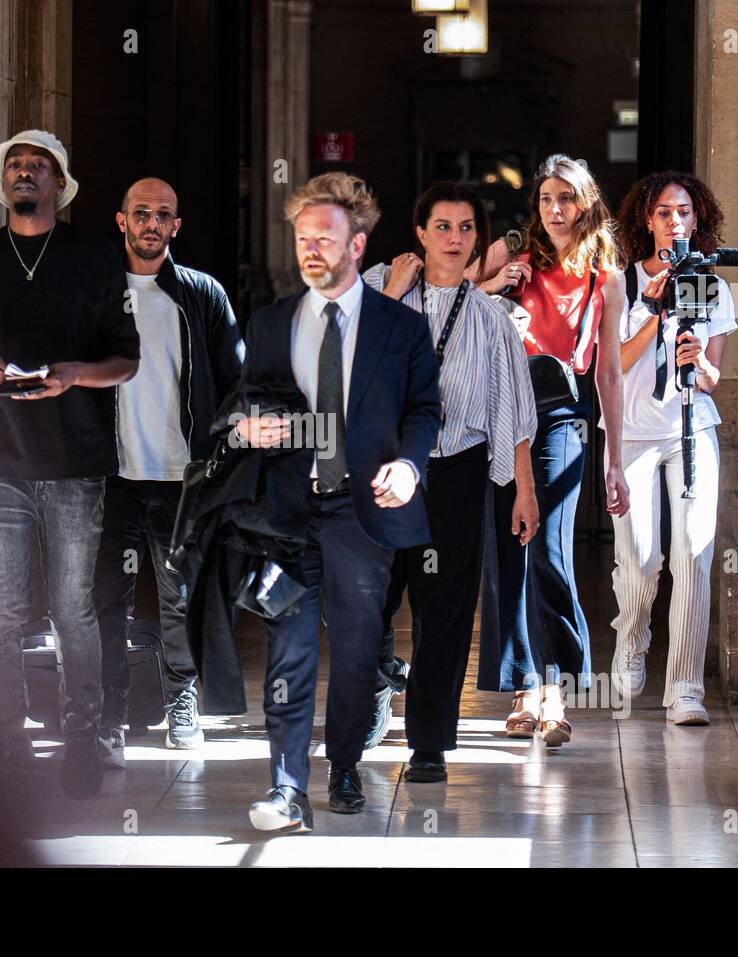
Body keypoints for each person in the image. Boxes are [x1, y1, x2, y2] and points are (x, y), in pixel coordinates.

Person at [233, 173, 441, 831]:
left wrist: (410, 465)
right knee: (288, 650)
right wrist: (246, 429)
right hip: (288, 515)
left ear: (358, 244)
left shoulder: (400, 328)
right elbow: (240, 408)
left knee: (354, 653)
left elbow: (425, 409)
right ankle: (287, 787)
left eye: (324, 237)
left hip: (362, 514)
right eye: (301, 238)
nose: (310, 249)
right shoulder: (269, 324)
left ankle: (345, 762)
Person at [0, 130, 140, 798]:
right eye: (15, 165)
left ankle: (81, 744)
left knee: (71, 607)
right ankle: (5, 745)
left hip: (77, 459)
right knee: (1, 607)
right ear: (3, 182)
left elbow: (126, 359)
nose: (25, 172)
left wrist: (77, 373)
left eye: (39, 165)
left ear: (59, 183)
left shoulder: (95, 257)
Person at [361, 182, 539, 782]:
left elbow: (511, 409)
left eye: (466, 229)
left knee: (444, 611)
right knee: (370, 601)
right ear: (419, 232)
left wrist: (524, 489)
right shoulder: (375, 291)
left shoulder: (492, 317)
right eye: (443, 226)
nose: (455, 239)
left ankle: (430, 744)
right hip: (386, 472)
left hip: (456, 475)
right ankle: (367, 701)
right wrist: (390, 293)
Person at [478, 154, 630, 748]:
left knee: (548, 548)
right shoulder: (509, 256)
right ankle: (522, 687)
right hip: (499, 412)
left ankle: (558, 686)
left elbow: (610, 374)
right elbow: (451, 308)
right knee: (506, 550)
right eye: (546, 198)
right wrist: (492, 286)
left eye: (567, 198)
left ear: (587, 203)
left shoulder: (607, 278)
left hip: (562, 413)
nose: (556, 210)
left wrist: (614, 459)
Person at [92, 178, 243, 762]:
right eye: (140, 213)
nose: (151, 223)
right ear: (121, 220)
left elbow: (235, 379)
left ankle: (183, 700)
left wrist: (225, 454)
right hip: (110, 475)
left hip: (183, 476)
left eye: (163, 215)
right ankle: (111, 707)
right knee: (107, 597)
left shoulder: (201, 294)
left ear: (176, 226)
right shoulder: (98, 290)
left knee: (181, 596)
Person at [608, 171, 737, 725]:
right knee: (641, 560)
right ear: (647, 219)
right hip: (634, 432)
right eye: (664, 212)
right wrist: (656, 314)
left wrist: (699, 361)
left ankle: (685, 686)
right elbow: (611, 364)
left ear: (697, 219)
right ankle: (632, 637)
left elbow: (712, 377)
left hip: (692, 428)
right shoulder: (622, 283)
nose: (675, 221)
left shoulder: (713, 286)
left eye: (684, 212)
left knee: (695, 554)